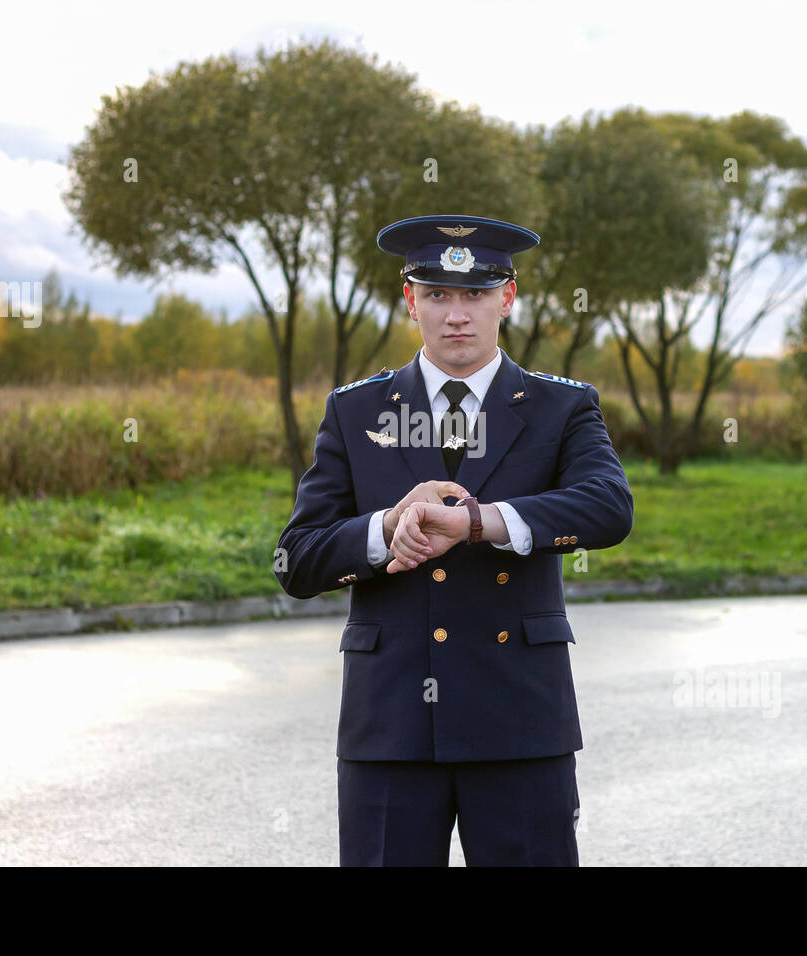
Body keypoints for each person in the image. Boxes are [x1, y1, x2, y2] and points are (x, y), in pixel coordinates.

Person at [274, 214, 635, 866]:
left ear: (508, 297)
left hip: (518, 719)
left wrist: (479, 522)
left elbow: (608, 508)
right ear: (410, 300)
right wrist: (384, 531)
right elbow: (297, 559)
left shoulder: (562, 406)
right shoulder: (357, 411)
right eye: (437, 295)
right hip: (389, 727)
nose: (457, 315)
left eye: (475, 294)